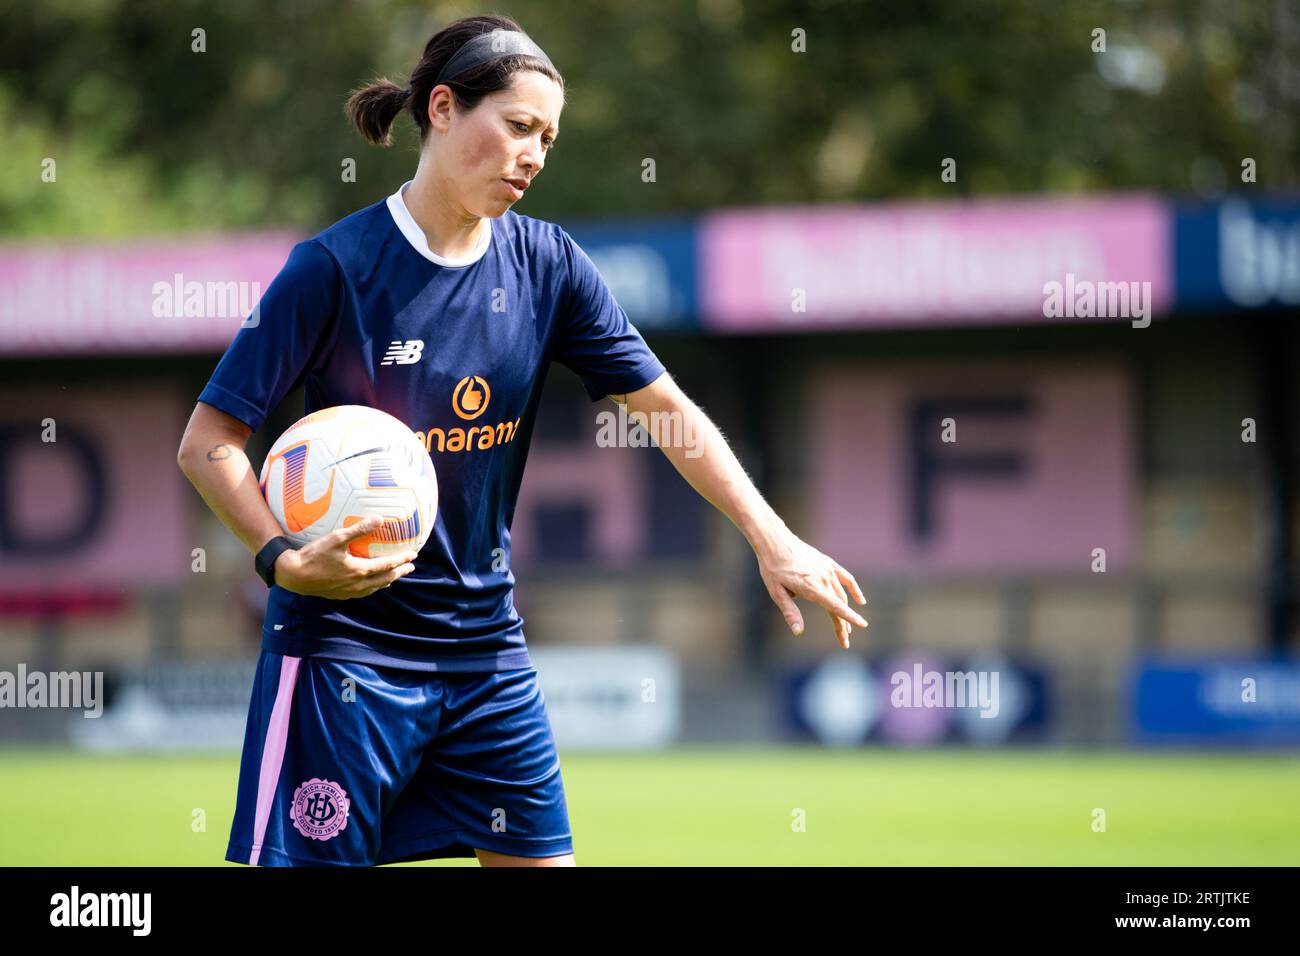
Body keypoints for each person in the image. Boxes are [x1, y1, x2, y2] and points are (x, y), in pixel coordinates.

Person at [176, 14, 867, 868]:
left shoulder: (550, 267)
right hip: (343, 654)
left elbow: (667, 410)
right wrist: (282, 559)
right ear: (440, 109)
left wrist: (773, 538)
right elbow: (208, 440)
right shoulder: (333, 268)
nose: (535, 154)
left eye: (548, 136)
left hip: (485, 654)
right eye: (517, 126)